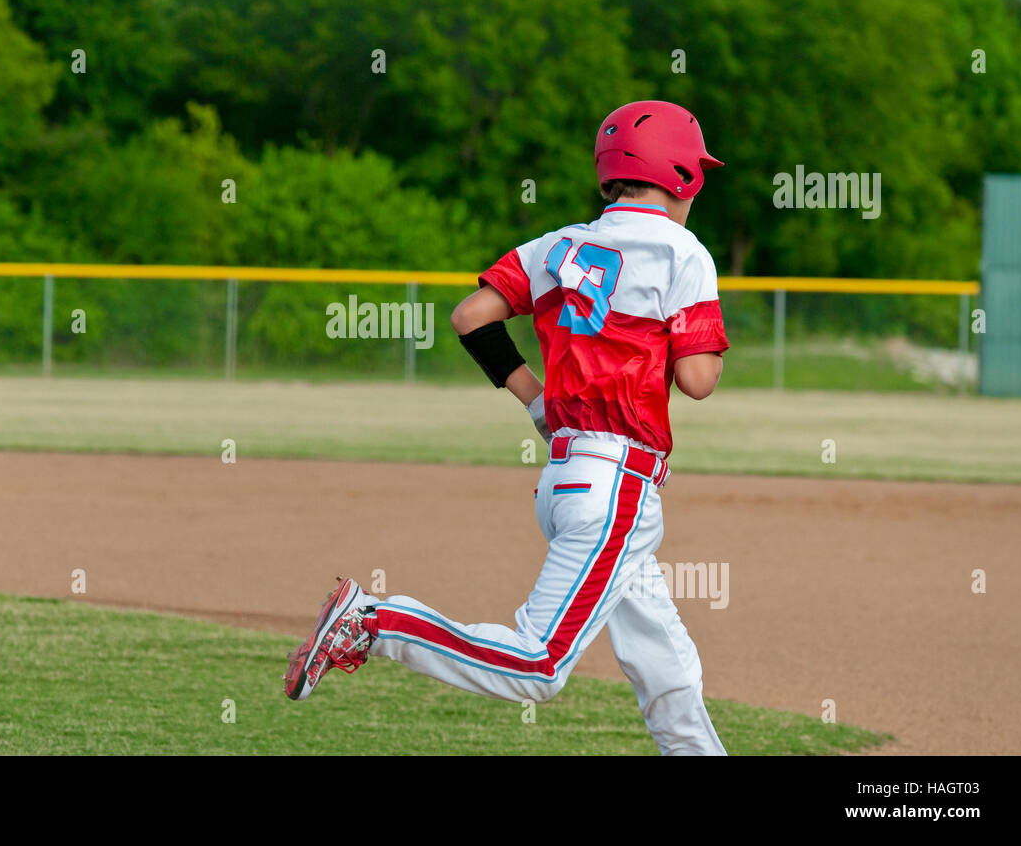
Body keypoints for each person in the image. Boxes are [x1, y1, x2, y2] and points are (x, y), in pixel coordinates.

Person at [283, 100, 730, 755]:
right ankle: (373, 621)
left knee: (666, 663)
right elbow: (698, 380)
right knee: (539, 665)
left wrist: (536, 401)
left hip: (568, 480)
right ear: (682, 176)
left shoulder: (560, 244)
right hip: (617, 490)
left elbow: (471, 316)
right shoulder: (682, 251)